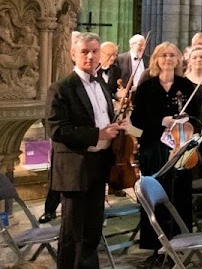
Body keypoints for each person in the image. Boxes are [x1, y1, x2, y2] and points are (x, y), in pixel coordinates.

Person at [47, 32, 124, 269]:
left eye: (94, 51)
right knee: (72, 232)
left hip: (99, 162)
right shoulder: (61, 88)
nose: (90, 56)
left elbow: (101, 117)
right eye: (84, 51)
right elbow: (57, 130)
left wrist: (114, 126)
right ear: (73, 54)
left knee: (92, 228)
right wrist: (97, 134)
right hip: (75, 166)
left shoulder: (101, 83)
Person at [131, 42, 197, 265]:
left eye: (172, 55)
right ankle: (156, 248)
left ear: (178, 59)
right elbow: (136, 120)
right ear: (156, 59)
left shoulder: (186, 85)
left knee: (180, 195)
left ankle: (181, 245)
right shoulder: (146, 87)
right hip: (154, 148)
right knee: (155, 198)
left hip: (179, 148)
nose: (168, 59)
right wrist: (162, 121)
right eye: (163, 55)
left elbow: (198, 117)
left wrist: (188, 122)